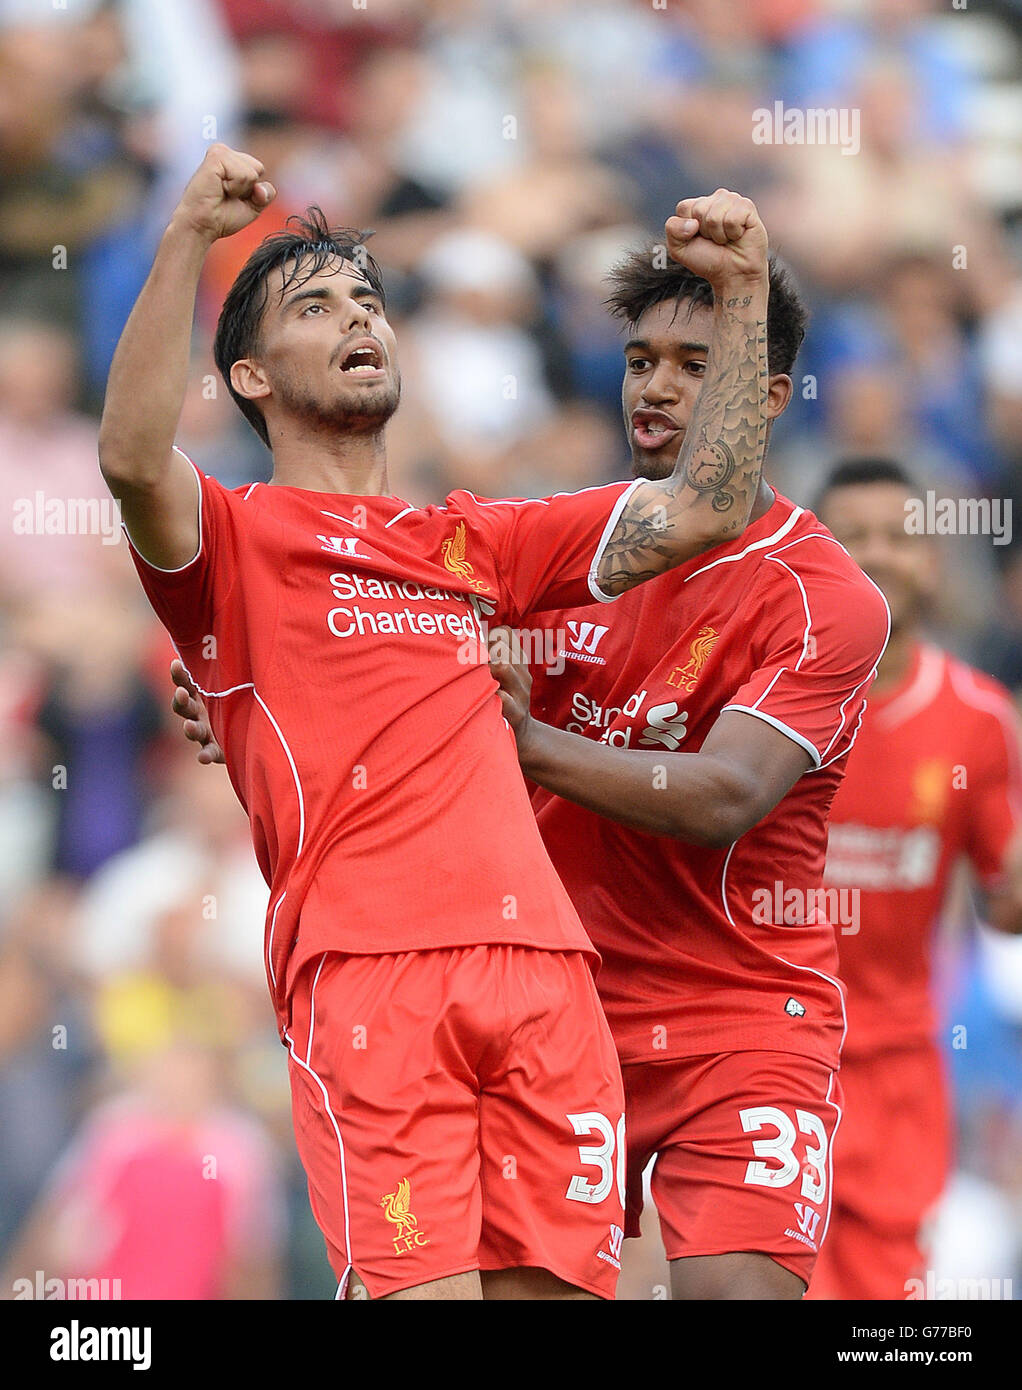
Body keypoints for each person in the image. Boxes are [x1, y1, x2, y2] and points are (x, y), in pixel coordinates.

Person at [99, 143, 774, 1301]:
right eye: (314, 306)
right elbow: (127, 456)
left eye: (367, 298)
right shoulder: (231, 539)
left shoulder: (476, 542)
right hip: (369, 972)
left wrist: (745, 287)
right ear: (252, 379)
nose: (360, 316)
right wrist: (185, 239)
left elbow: (706, 505)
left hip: (547, 976)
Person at [486, 249, 891, 1300]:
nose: (654, 386)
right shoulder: (557, 551)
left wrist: (527, 743)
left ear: (761, 396)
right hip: (560, 1014)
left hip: (742, 1017)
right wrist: (241, 695)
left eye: (689, 363)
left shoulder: (822, 596)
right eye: (636, 359)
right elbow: (393, 636)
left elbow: (724, 798)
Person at [805, 457, 1022, 1301]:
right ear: (810, 557)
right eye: (850, 537)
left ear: (935, 561)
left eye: (901, 537)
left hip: (899, 1067)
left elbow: (1005, 906)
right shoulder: (759, 706)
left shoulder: (977, 721)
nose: (878, 556)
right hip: (771, 1053)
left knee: (887, 1314)